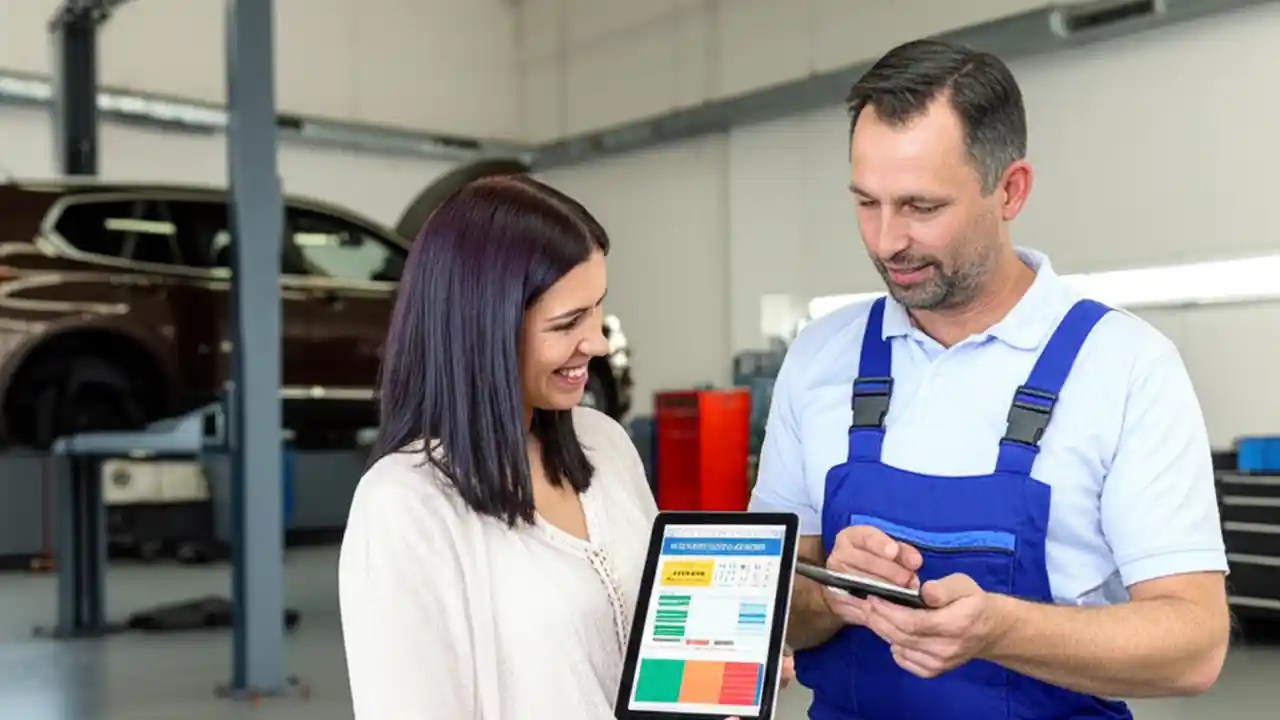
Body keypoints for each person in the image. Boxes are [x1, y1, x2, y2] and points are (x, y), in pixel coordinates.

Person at [747, 38, 1231, 720]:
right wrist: (830, 594)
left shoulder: (1126, 367)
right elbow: (763, 602)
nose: (886, 241)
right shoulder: (819, 358)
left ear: (1010, 190)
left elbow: (1194, 645)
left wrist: (1000, 630)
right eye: (866, 202)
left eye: (921, 207)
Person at [338, 174, 788, 719]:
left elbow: (649, 658)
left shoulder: (605, 445)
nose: (597, 342)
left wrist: (721, 677)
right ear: (486, 329)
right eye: (568, 322)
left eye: (597, 308)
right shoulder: (404, 506)